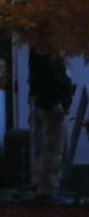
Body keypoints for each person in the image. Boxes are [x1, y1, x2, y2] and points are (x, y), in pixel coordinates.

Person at [29, 48, 74, 199]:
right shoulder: (45, 53)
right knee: (53, 148)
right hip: (51, 108)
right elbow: (47, 80)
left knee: (56, 147)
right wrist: (56, 104)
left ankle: (46, 185)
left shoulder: (47, 54)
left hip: (51, 106)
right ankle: (46, 189)